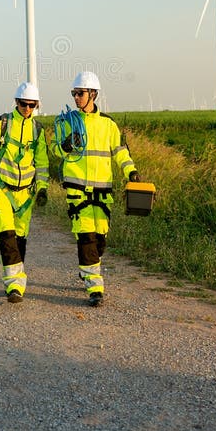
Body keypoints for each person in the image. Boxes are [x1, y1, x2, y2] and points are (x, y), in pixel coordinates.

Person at [53, 71, 139, 307]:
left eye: (80, 93)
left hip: (102, 190)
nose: (76, 98)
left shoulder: (108, 124)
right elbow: (55, 151)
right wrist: (67, 144)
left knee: (100, 238)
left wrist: (130, 171)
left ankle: (88, 268)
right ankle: (95, 286)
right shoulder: (66, 122)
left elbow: (120, 152)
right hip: (77, 189)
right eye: (74, 93)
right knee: (86, 236)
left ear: (93, 94)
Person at [0, 82, 49, 303]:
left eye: (32, 105)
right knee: (6, 235)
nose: (27, 109)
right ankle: (14, 286)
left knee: (20, 240)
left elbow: (42, 162)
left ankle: (16, 281)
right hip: (1, 188)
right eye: (24, 104)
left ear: (36, 105)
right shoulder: (3, 123)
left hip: (25, 194)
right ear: (16, 102)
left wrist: (43, 187)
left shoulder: (38, 130)